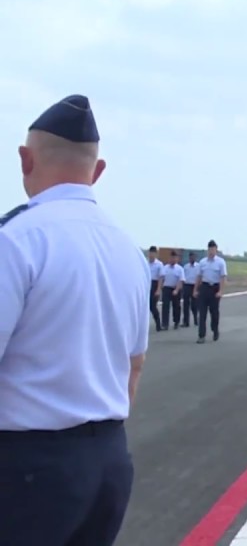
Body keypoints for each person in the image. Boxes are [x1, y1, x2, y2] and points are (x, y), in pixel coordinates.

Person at [0, 94, 149, 546]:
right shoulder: (128, 249)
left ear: (25, 160)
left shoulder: (17, 240)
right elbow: (134, 365)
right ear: (97, 172)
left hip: (28, 468)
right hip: (107, 462)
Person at [193, 239, 228, 344]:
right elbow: (199, 277)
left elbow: (223, 277)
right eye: (210, 249)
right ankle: (201, 335)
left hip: (215, 288)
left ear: (216, 250)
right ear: (207, 250)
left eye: (213, 249)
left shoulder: (220, 262)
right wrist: (195, 289)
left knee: (214, 313)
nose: (211, 251)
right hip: (204, 288)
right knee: (202, 313)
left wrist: (221, 291)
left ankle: (215, 330)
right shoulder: (202, 262)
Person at [159, 249, 186, 330]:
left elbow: (181, 280)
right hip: (166, 288)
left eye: (174, 258)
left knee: (176, 306)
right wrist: (160, 288)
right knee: (165, 306)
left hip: (176, 288)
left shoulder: (179, 269)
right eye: (171, 258)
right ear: (169, 258)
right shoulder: (165, 268)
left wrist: (177, 290)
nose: (173, 259)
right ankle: (165, 324)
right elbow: (161, 278)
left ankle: (176, 322)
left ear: (177, 259)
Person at [181, 250, 199, 328]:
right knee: (185, 304)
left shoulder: (198, 266)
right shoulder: (186, 266)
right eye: (191, 257)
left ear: (195, 258)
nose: (192, 258)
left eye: (193, 257)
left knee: (194, 305)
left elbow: (199, 277)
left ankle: (196, 318)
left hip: (194, 286)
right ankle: (186, 321)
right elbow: (183, 277)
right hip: (187, 285)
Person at [146, 244, 162, 331]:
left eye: (153, 253)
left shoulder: (159, 264)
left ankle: (158, 323)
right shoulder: (145, 263)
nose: (151, 255)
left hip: (155, 285)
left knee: (152, 306)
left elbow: (160, 278)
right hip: (146, 284)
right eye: (150, 253)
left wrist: (158, 289)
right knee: (144, 306)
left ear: (155, 254)